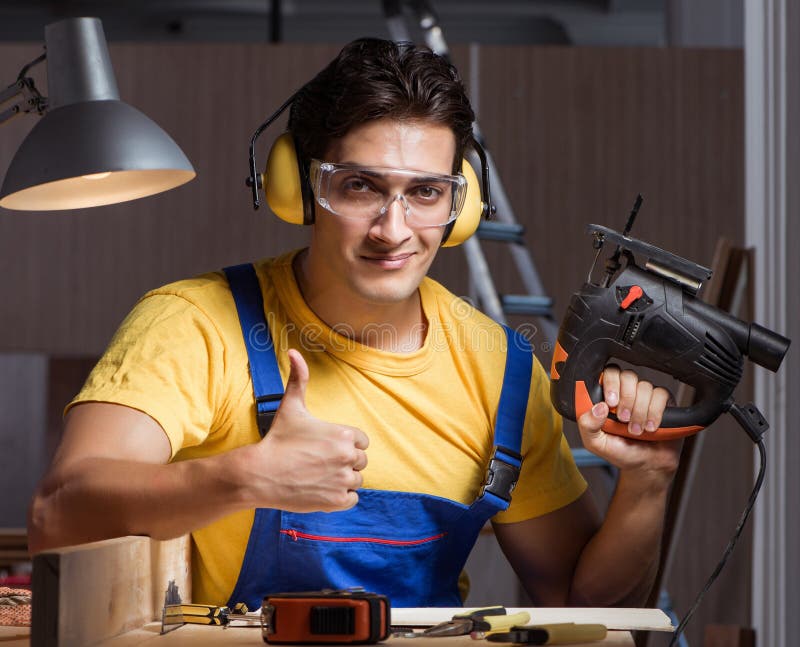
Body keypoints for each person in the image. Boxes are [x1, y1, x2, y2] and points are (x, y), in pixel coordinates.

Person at [28, 38, 680, 609]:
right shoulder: (195, 324)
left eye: (426, 192)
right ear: (295, 187)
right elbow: (57, 515)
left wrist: (648, 479)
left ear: (463, 206)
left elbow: (577, 597)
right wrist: (241, 477)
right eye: (360, 186)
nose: (394, 230)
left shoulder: (501, 368)